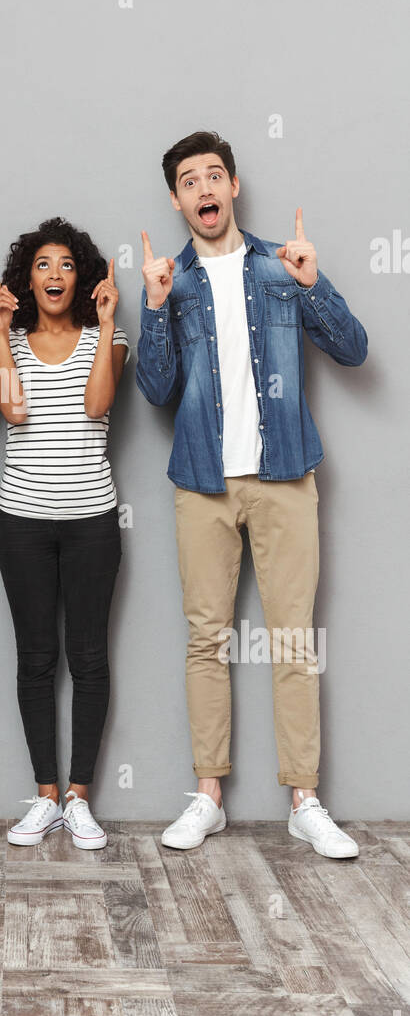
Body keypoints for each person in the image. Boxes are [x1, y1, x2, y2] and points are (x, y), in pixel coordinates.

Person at [136, 131, 367, 858]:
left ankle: (305, 800)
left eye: (213, 175)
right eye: (187, 180)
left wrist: (312, 285)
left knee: (293, 639)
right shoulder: (173, 282)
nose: (203, 189)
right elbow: (156, 389)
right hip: (202, 480)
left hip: (285, 476)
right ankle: (208, 798)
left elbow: (355, 350)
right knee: (207, 640)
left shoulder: (279, 266)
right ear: (177, 200)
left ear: (233, 186)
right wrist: (153, 309)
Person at [0, 218, 128, 851]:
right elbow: (12, 411)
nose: (54, 275)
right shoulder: (11, 341)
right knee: (36, 660)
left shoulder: (110, 337)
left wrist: (104, 326)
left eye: (67, 265)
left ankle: (79, 799)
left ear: (83, 277)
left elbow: (97, 405)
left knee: (90, 658)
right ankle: (45, 796)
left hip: (92, 522)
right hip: (22, 524)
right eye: (43, 265)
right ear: (28, 276)